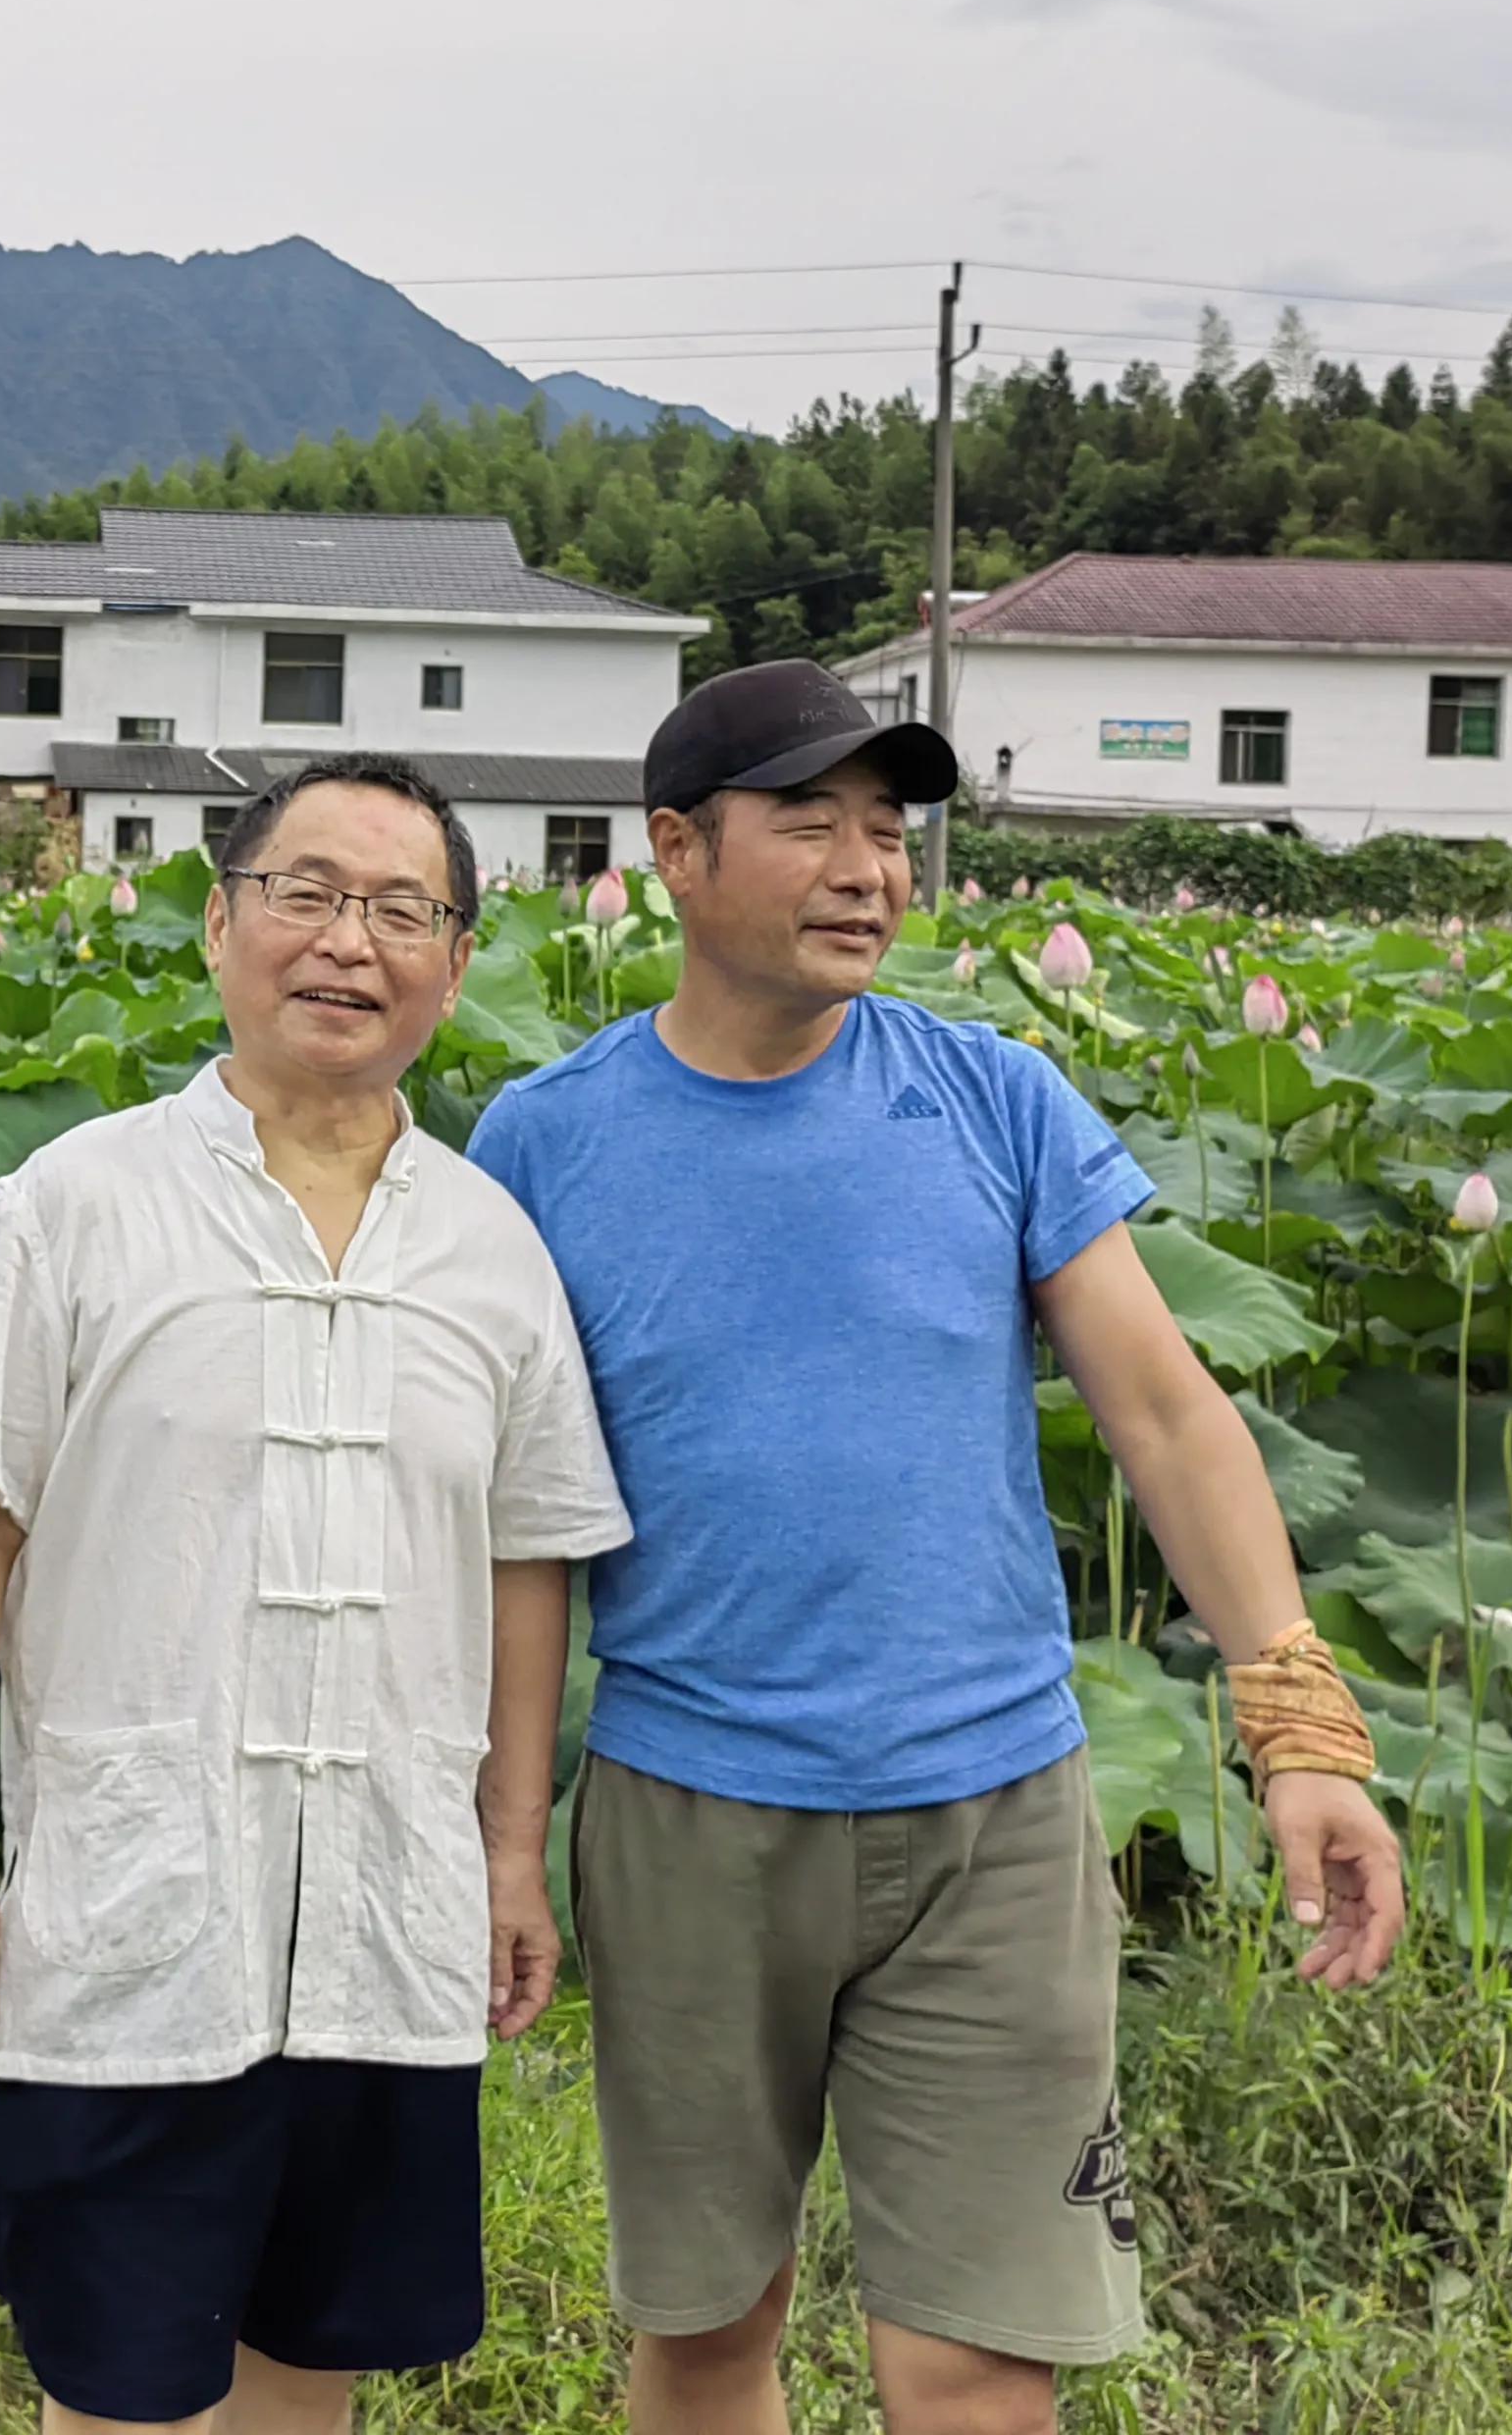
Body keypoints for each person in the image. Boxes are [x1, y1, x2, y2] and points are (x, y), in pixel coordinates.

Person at [466, 660, 1403, 2435]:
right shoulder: (545, 1141)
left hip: (992, 1813)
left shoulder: (996, 1098)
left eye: (890, 830)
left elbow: (1170, 1417)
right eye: (809, 821)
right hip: (689, 1812)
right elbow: (522, 1530)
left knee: (976, 2354)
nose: (867, 868)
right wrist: (514, 1841)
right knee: (710, 2327)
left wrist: (1302, 1727)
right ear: (675, 849)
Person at [0, 755, 633, 2435]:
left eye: (400, 910)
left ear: (453, 959)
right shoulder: (71, 1206)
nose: (346, 943)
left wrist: (514, 1851)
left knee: (315, 2381)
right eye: (304, 893)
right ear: (220, 922)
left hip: (385, 1907)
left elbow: (528, 1568)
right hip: (138, 1921)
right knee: (122, 2393)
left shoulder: (497, 1249)